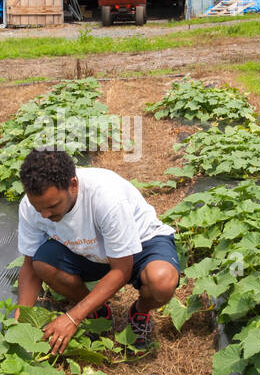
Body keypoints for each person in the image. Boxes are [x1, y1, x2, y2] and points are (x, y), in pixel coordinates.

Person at [15, 148, 181, 353]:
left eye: (53, 205)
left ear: (73, 185)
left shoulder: (106, 198)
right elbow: (29, 266)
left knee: (162, 281)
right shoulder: (31, 207)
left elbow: (122, 270)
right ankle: (98, 312)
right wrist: (19, 322)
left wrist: (72, 317)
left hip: (139, 246)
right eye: (38, 207)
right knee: (42, 263)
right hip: (89, 251)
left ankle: (140, 312)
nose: (45, 214)